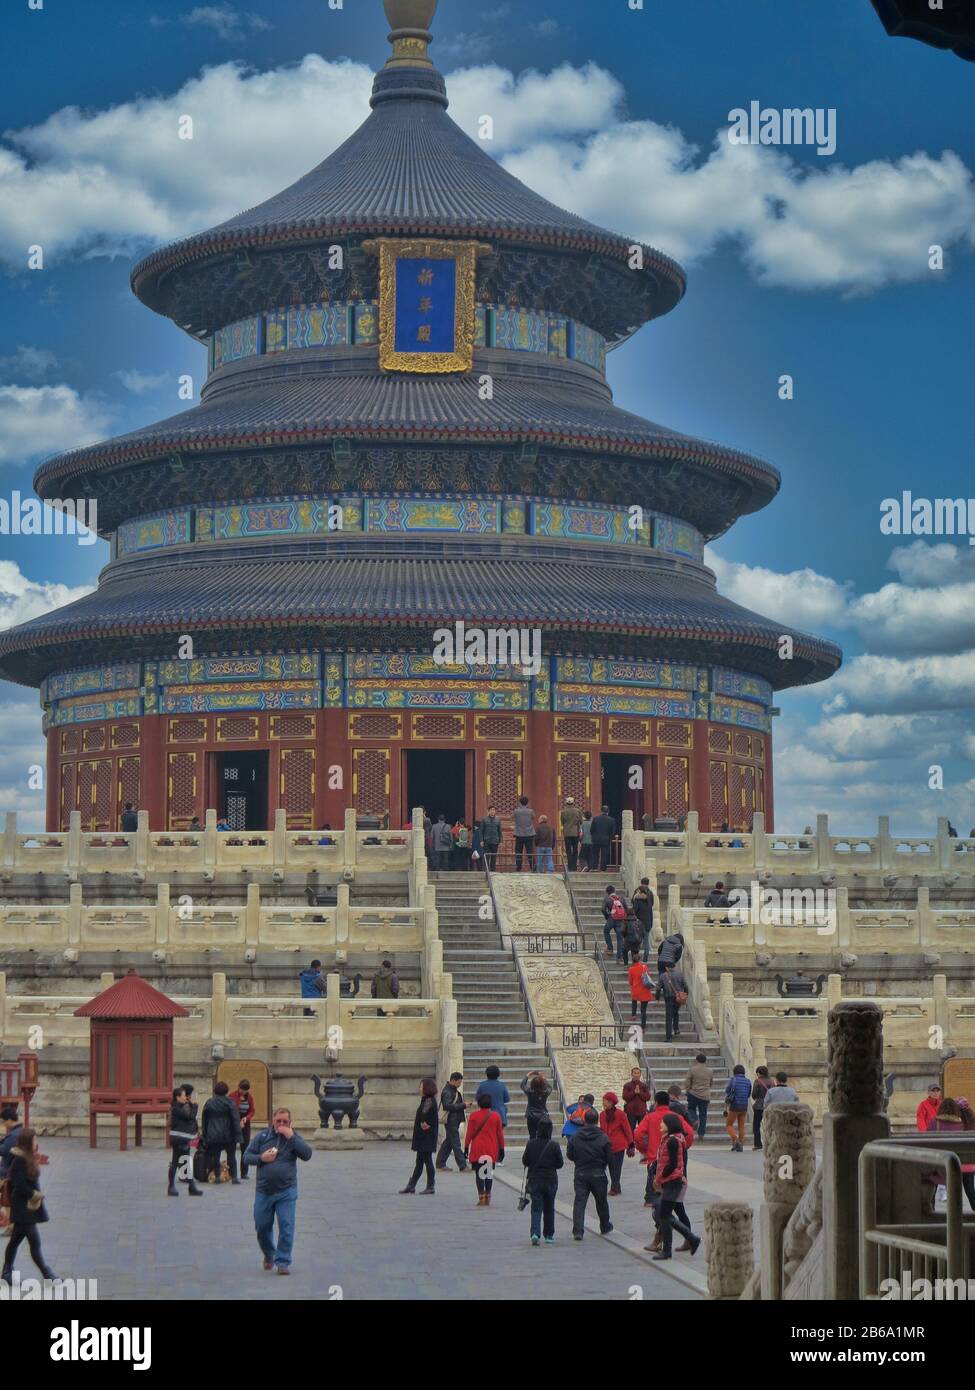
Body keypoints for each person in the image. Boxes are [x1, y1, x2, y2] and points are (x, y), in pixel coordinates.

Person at [243, 1107, 312, 1274]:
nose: (281, 1124)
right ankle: (269, 1254)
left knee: (286, 1226)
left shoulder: (293, 1138)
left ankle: (283, 1262)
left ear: (290, 1123)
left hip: (286, 1190)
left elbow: (307, 1154)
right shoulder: (262, 1137)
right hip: (264, 1191)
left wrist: (292, 1138)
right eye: (278, 1121)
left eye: (285, 1122)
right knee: (262, 1226)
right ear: (272, 1121)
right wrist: (261, 1158)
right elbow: (246, 1157)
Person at [1, 1128, 55, 1284]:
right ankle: (47, 1274)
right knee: (34, 1243)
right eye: (34, 1140)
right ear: (27, 1142)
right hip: (24, 1208)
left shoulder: (27, 1158)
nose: (36, 1143)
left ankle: (6, 1271)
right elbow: (19, 1186)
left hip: (27, 1208)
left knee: (15, 1241)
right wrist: (35, 1194)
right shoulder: (19, 1160)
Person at [651, 1114, 701, 1261]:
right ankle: (688, 1240)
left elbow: (673, 1164)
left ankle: (684, 1241)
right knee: (665, 1215)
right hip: (672, 1180)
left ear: (670, 1125)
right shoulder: (672, 1138)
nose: (660, 1124)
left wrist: (660, 1176)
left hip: (673, 1181)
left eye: (663, 1122)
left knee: (664, 1214)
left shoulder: (673, 1141)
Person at [566, 1107, 613, 1239]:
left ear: (584, 1121)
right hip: (598, 1172)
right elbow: (610, 1158)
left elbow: (570, 1154)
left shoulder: (575, 1137)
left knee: (580, 1202)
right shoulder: (603, 1137)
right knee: (601, 1201)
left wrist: (578, 1159)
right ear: (597, 1121)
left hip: (581, 1172)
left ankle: (578, 1230)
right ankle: (605, 1225)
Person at [928, 1097, 975, 1212]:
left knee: (932, 1183)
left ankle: (931, 1210)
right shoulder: (962, 1125)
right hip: (965, 1165)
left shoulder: (934, 1123)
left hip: (940, 1166)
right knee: (970, 1190)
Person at [522, 1117, 563, 1245]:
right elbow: (560, 1164)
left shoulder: (531, 1143)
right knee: (549, 1207)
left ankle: (535, 1233)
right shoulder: (554, 1145)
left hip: (535, 1179)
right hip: (550, 1179)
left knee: (536, 1207)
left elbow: (525, 1161)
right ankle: (549, 1235)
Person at [400, 1078, 439, 1194]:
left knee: (427, 1161)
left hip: (426, 1137)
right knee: (420, 1161)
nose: (420, 1088)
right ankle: (412, 1184)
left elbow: (424, 1116)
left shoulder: (429, 1101)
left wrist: (424, 1123)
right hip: (424, 1136)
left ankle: (430, 1185)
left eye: (421, 1086)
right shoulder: (427, 1100)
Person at [465, 1094, 504, 1206]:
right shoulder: (496, 1116)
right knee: (488, 1173)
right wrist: (502, 1148)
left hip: (478, 1148)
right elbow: (499, 1134)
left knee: (479, 1173)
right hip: (491, 1148)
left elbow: (469, 1133)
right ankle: (488, 1194)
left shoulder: (473, 1116)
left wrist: (466, 1147)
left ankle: (481, 1195)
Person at [202, 1080, 242, 1184]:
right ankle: (234, 1177)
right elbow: (235, 1119)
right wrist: (238, 1135)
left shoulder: (209, 1102)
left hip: (213, 1134)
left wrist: (205, 1134)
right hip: (228, 1134)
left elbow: (204, 1120)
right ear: (226, 1091)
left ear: (215, 1091)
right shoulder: (230, 1102)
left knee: (215, 1156)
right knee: (231, 1156)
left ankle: (217, 1176)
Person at [167, 1085, 203, 1197]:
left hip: (184, 1137)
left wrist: (192, 1104)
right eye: (183, 1096)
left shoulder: (183, 1106)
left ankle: (191, 1186)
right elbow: (190, 1117)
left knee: (186, 1160)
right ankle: (171, 1186)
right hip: (178, 1138)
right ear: (177, 1097)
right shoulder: (177, 1108)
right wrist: (195, 1107)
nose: (186, 1098)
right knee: (175, 1162)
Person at [599, 1092, 634, 1196]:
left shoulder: (620, 1114)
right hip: (606, 1145)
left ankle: (614, 1188)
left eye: (605, 1101)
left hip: (619, 1145)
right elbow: (602, 1129)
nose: (603, 1103)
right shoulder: (602, 1115)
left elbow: (627, 1129)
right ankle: (617, 1187)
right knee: (611, 1167)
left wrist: (631, 1144)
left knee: (616, 1167)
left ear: (611, 1102)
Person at [436, 1072, 468, 1172]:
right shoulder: (448, 1091)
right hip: (451, 1120)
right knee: (456, 1143)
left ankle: (440, 1163)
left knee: (449, 1142)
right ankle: (463, 1165)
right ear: (453, 1080)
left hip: (454, 1120)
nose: (460, 1084)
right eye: (459, 1082)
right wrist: (463, 1105)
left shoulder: (452, 1090)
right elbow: (447, 1106)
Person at [684, 1054, 714, 1139]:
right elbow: (711, 1083)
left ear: (696, 1060)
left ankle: (694, 1120)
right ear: (705, 1061)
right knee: (703, 1114)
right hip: (705, 1095)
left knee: (691, 1109)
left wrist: (688, 1090)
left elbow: (687, 1081)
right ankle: (701, 1133)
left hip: (693, 1093)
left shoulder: (692, 1070)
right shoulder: (710, 1071)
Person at [656, 962, 687, 1041]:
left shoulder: (663, 976)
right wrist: (685, 995)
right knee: (676, 1012)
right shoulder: (680, 974)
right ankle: (676, 1029)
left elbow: (658, 988)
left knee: (669, 1017)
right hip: (678, 998)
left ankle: (669, 1037)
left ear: (666, 968)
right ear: (674, 967)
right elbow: (686, 986)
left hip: (668, 998)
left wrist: (657, 998)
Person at [231, 1079, 255, 1179]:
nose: (243, 1092)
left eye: (245, 1090)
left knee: (245, 1148)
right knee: (231, 1148)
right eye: (241, 1089)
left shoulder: (249, 1097)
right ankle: (232, 1172)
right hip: (234, 1123)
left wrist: (247, 1118)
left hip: (245, 1123)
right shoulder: (232, 1096)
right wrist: (237, 1121)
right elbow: (231, 1109)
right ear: (238, 1087)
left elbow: (252, 1110)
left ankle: (244, 1173)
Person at [724, 1064, 751, 1151]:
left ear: (734, 1072)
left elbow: (727, 1090)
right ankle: (741, 1144)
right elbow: (748, 1094)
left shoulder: (733, 1080)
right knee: (741, 1126)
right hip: (744, 1106)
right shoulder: (748, 1081)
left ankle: (736, 1141)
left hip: (735, 1105)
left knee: (729, 1125)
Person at [520, 1071, 552, 1139]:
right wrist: (543, 1078)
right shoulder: (545, 1093)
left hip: (531, 1115)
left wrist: (527, 1075)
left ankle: (532, 1148)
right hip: (542, 1115)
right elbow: (550, 1088)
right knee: (543, 1136)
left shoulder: (529, 1092)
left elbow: (522, 1085)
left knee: (532, 1135)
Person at [623, 1068, 652, 1137]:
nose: (636, 1075)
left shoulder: (644, 1086)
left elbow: (647, 1097)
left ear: (640, 1074)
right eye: (634, 1073)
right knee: (631, 1129)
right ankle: (631, 1145)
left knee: (642, 1130)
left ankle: (641, 1144)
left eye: (638, 1073)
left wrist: (640, 1093)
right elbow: (625, 1097)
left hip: (641, 1111)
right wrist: (634, 1092)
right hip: (631, 1112)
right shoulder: (627, 1085)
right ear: (632, 1074)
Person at [627, 956, 654, 1031]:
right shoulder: (644, 967)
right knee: (643, 1010)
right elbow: (648, 976)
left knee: (634, 1000)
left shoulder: (631, 969)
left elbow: (630, 982)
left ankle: (633, 1015)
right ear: (639, 960)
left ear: (632, 961)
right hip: (644, 990)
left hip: (636, 989)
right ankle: (643, 1027)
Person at [631, 877, 654, 962]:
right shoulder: (650, 894)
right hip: (647, 922)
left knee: (637, 941)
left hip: (639, 923)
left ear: (641, 883)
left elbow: (634, 908)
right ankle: (645, 958)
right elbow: (651, 906)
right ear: (648, 883)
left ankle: (636, 958)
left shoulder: (637, 899)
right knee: (646, 941)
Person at [601, 884, 627, 960]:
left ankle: (610, 948)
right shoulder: (621, 898)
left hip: (611, 919)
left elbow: (603, 909)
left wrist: (607, 916)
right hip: (620, 920)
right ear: (614, 891)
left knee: (606, 931)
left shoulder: (607, 899)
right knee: (620, 938)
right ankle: (619, 957)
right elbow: (626, 908)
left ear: (607, 892)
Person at [512, 795, 536, 871]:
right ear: (527, 803)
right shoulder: (530, 811)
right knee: (530, 851)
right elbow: (533, 817)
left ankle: (518, 867)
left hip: (519, 834)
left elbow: (511, 817)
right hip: (529, 834)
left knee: (518, 851)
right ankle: (533, 867)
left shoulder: (516, 811)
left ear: (520, 802)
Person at [751, 1065, 771, 1150]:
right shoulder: (772, 1081)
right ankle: (770, 1143)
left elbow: (754, 1095)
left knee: (756, 1125)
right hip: (769, 1106)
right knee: (770, 1126)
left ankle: (758, 1144)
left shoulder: (757, 1081)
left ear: (759, 1073)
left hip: (759, 1105)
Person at [590, 804, 616, 872]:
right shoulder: (611, 820)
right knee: (604, 855)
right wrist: (609, 838)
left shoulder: (595, 819)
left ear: (601, 811)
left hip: (596, 839)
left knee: (595, 854)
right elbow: (613, 831)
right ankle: (602, 868)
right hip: (606, 839)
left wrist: (594, 837)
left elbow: (592, 830)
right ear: (608, 811)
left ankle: (594, 867)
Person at [560, 797, 583, 871]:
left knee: (568, 850)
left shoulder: (563, 812)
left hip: (567, 833)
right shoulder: (577, 811)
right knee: (575, 850)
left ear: (566, 803)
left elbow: (562, 822)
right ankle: (574, 866)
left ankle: (570, 867)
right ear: (573, 803)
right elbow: (581, 821)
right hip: (575, 833)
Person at [0, 1105, 22, 1179]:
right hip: (13, 1167)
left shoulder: (13, 1135)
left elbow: (3, 1151)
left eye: (3, 1121)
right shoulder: (20, 1130)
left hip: (7, 1170)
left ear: (9, 1120)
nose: (3, 1124)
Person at [479, 805, 502, 871]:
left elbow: (499, 831)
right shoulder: (484, 819)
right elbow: (481, 831)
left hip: (495, 841)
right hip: (486, 841)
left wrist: (500, 841)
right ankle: (486, 870)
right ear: (488, 811)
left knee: (494, 857)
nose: (493, 811)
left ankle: (493, 870)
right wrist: (481, 840)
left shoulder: (498, 819)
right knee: (486, 856)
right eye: (491, 810)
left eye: (494, 810)